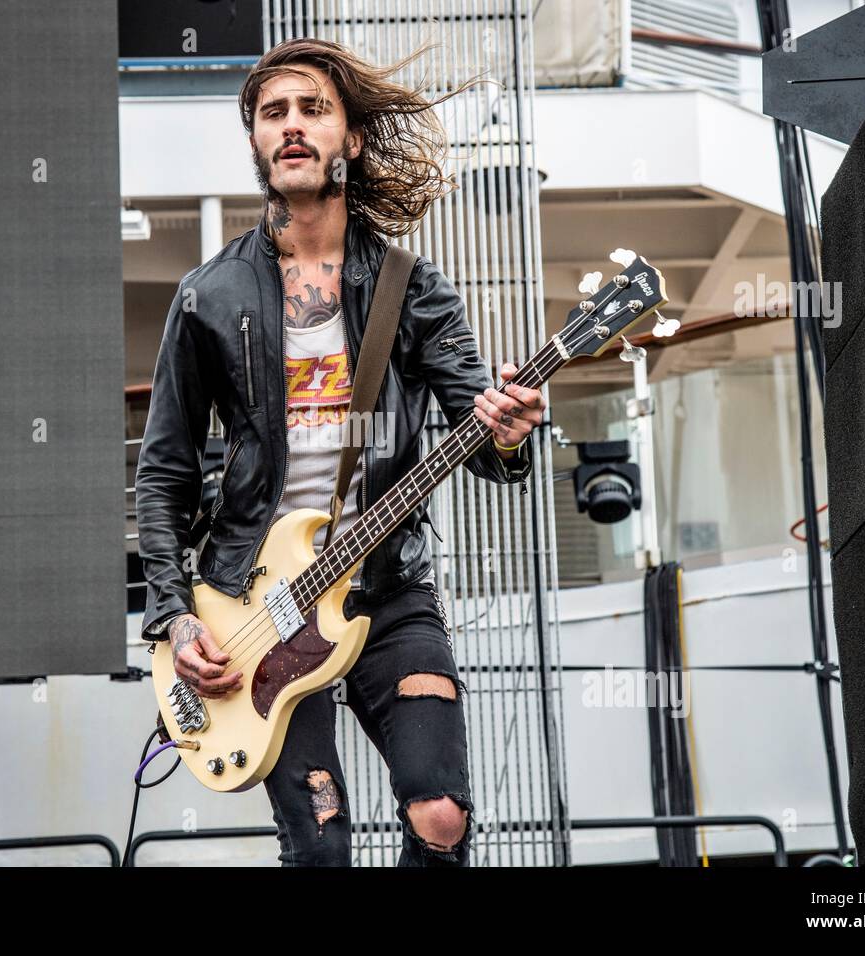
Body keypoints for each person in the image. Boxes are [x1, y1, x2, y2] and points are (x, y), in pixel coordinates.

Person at [136, 37, 546, 866]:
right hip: (252, 607)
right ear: (255, 140)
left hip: (386, 594)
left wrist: (505, 430)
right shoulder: (208, 295)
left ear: (350, 139)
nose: (292, 126)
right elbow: (165, 473)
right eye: (273, 113)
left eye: (313, 109)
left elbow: (477, 414)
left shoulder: (407, 285)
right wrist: (178, 619)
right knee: (320, 846)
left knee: (441, 817)